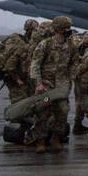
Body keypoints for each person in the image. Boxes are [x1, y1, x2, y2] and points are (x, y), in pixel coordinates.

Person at [29, 16, 76, 153]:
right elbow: (35, 64)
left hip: (62, 86)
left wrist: (71, 77)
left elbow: (74, 63)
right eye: (66, 28)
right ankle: (41, 140)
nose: (69, 31)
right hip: (46, 84)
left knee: (63, 111)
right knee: (43, 112)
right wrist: (38, 83)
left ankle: (55, 138)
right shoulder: (45, 44)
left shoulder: (70, 46)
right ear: (60, 29)